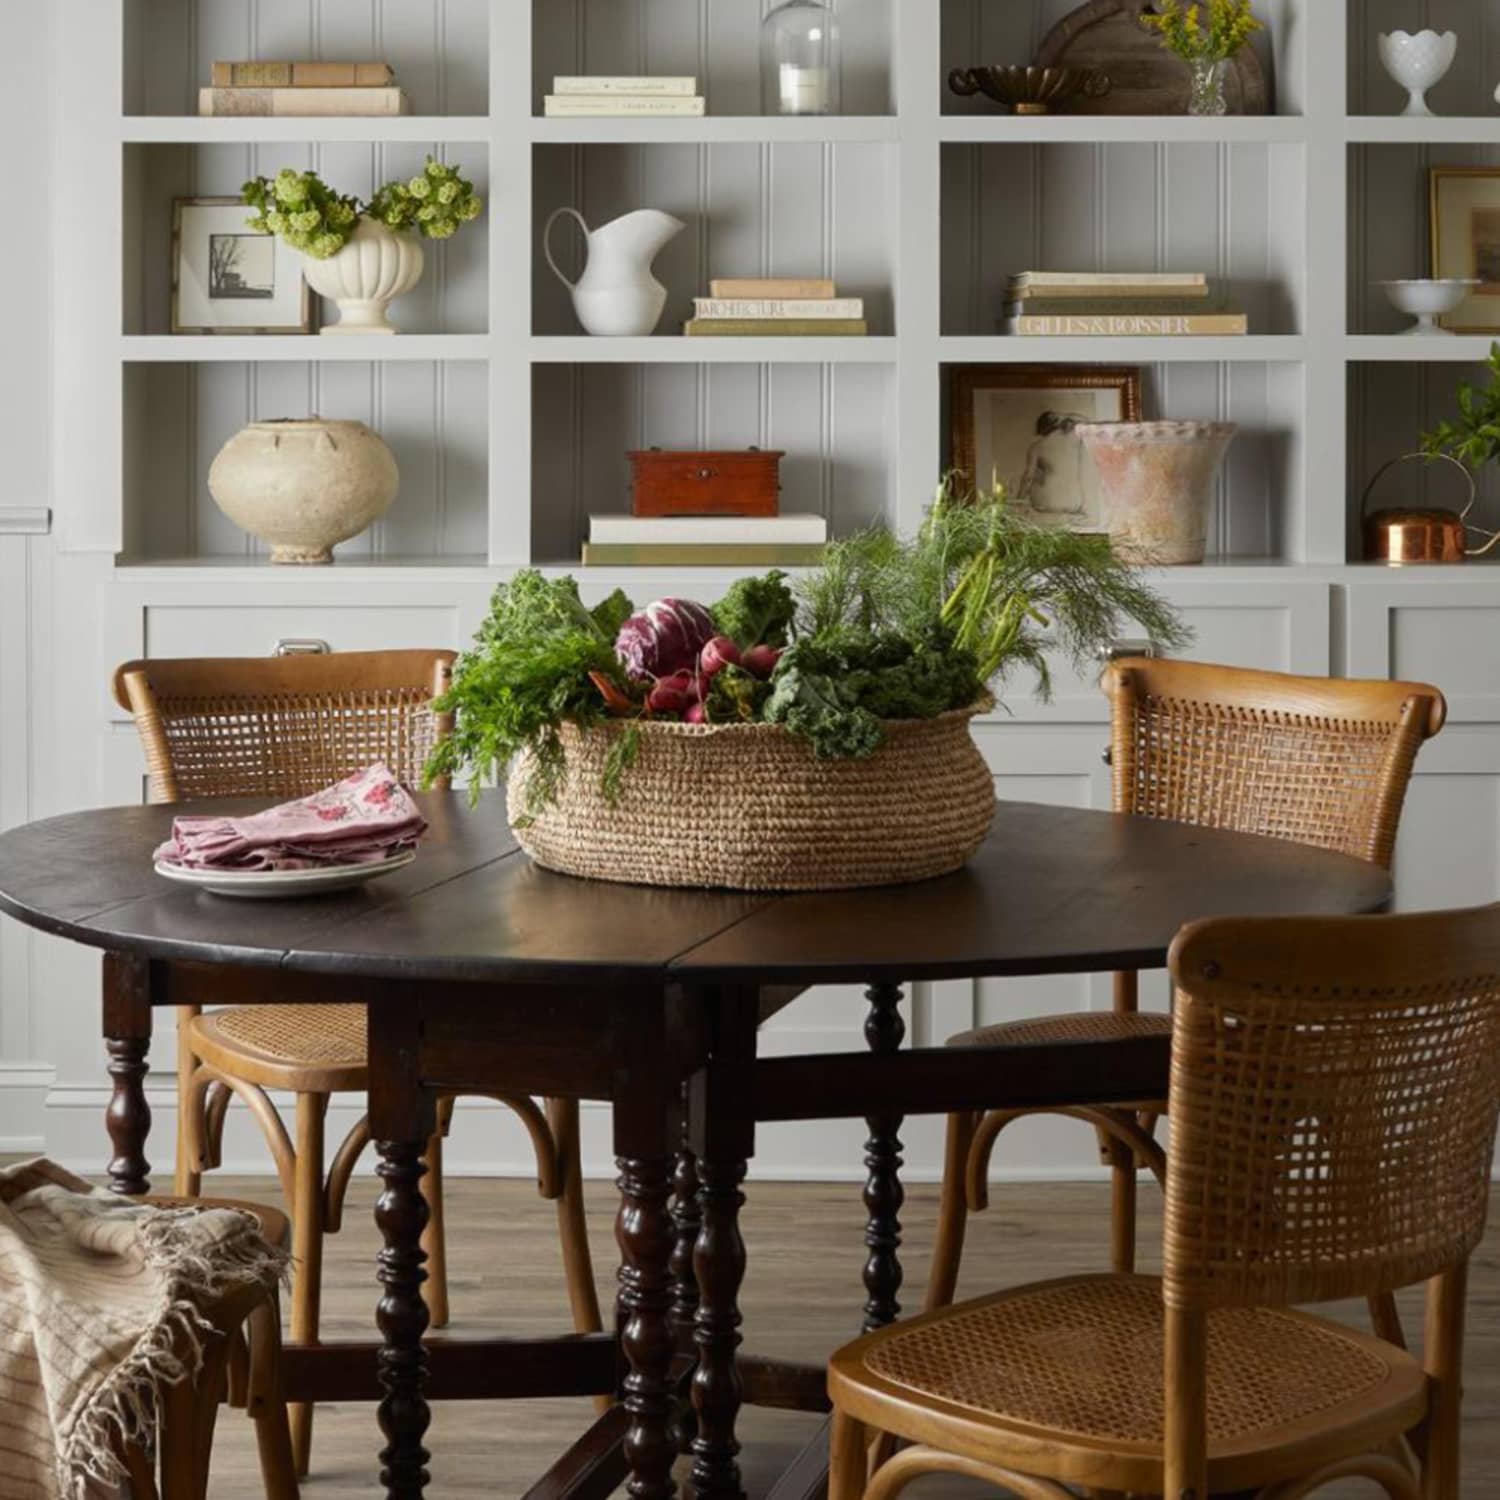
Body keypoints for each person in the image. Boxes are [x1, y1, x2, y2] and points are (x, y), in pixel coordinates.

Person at [1017, 410, 1087, 517]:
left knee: (1038, 472)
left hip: (1046, 503)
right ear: (1058, 425)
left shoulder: (1036, 447)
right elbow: (1086, 421)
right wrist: (1063, 416)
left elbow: (1028, 477)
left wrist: (1019, 501)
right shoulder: (1074, 441)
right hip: (1074, 502)